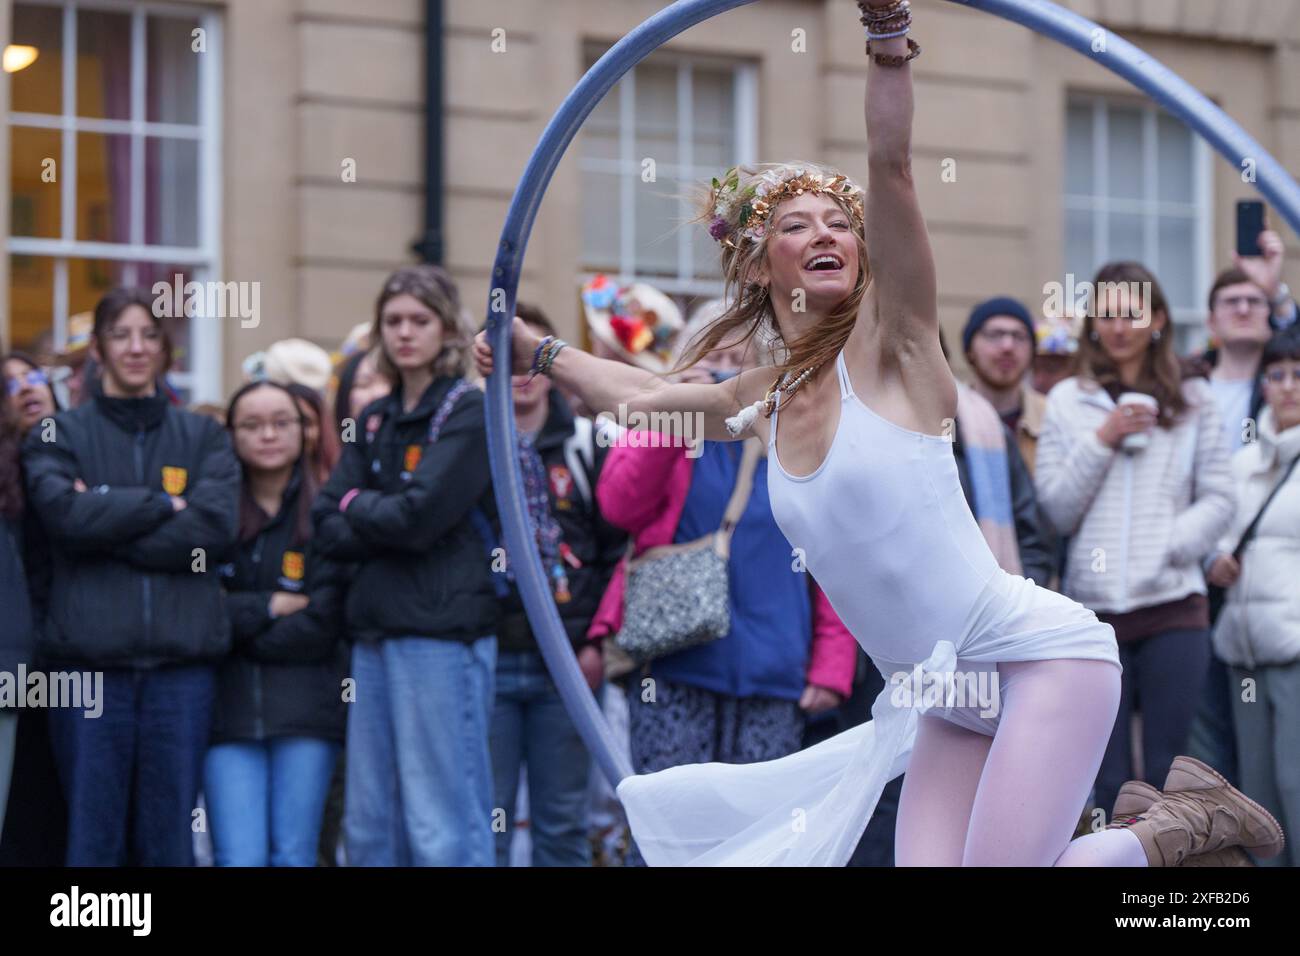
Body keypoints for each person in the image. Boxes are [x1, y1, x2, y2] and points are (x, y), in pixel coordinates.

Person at [476, 0, 1283, 867]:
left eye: (838, 224)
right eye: (797, 224)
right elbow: (640, 401)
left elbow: (892, 168)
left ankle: (1170, 829)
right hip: (945, 694)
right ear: (758, 262)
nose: (825, 233)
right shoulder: (765, 397)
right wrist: (536, 348)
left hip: (1042, 658)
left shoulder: (896, 347)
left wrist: (886, 40)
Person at [589, 319, 857, 866]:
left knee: (759, 838)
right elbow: (619, 505)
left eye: (740, 360)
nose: (724, 371)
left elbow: (832, 556)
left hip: (772, 672)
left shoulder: (794, 436)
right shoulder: (671, 425)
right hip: (674, 666)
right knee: (668, 831)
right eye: (712, 357)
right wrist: (672, 406)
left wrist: (831, 664)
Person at [22, 286, 240, 865]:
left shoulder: (205, 436)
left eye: (148, 334)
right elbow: (65, 519)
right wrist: (164, 505)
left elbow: (214, 529)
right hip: (89, 673)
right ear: (97, 348)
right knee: (93, 843)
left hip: (181, 670)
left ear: (165, 349)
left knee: (169, 843)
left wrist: (105, 516)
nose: (136, 347)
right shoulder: (58, 436)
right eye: (121, 334)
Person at [313, 264, 500, 867]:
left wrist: (357, 505)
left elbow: (417, 520)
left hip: (441, 635)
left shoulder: (469, 411)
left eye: (419, 320)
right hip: (375, 630)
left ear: (447, 329)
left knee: (440, 821)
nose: (404, 333)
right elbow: (323, 518)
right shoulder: (372, 418)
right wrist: (374, 512)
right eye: (392, 321)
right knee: (369, 824)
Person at [1035, 262, 1236, 820]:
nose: (1118, 325)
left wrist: (1172, 545)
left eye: (1132, 312)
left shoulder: (1194, 397)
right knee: (1107, 775)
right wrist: (1103, 438)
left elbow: (1221, 497)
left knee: (1174, 775)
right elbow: (1057, 509)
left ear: (1159, 320)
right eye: (1106, 312)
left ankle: (1166, 902)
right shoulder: (1068, 400)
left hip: (1175, 607)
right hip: (1094, 617)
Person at [489, 302, 626, 867]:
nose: (521, 372)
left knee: (561, 824)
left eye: (532, 358)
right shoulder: (469, 441)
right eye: (507, 357)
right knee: (488, 819)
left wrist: (597, 642)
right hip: (487, 655)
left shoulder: (590, 444)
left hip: (569, 662)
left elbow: (616, 549)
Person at [204, 381, 349, 866]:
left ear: (304, 432)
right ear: (232, 435)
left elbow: (324, 622)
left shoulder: (328, 513)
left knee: (294, 854)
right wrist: (269, 606)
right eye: (252, 424)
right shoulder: (213, 518)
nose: (268, 434)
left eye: (281, 422)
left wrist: (238, 622)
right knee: (237, 857)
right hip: (227, 714)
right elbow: (202, 619)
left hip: (308, 711)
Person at [1186, 235, 1298, 787]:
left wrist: (1275, 283)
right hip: (1202, 580)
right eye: (1232, 301)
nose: (1245, 308)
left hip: (1273, 598)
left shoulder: (1280, 375)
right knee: (1217, 746)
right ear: (1210, 318)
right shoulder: (1187, 384)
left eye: (1255, 302)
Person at [1206, 326, 1300, 867]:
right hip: (1240, 651)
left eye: (1297, 375)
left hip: (1292, 650)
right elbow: (1217, 533)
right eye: (1277, 375)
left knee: (1295, 782)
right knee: (1257, 798)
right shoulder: (1241, 461)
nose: (1287, 387)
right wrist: (1213, 560)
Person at [961, 296, 1046, 472]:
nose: (1008, 346)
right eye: (995, 335)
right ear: (970, 350)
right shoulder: (946, 415)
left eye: (1019, 336)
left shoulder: (1052, 415)